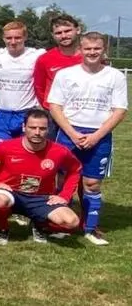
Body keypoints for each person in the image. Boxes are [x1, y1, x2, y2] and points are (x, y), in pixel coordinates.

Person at [48, 32, 127, 246]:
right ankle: (60, 226)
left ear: (104, 50)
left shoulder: (115, 76)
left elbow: (120, 110)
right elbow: (54, 106)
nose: (92, 52)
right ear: (80, 50)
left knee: (91, 183)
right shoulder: (65, 74)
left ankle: (90, 228)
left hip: (99, 135)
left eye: (97, 49)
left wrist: (96, 136)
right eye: (88, 49)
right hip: (68, 133)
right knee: (63, 180)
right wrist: (72, 134)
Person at [0, 109, 82, 245]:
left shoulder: (59, 151)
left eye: (42, 128)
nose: (37, 132)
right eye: (32, 127)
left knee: (72, 222)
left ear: (48, 129)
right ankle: (3, 228)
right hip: (12, 193)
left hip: (41, 198)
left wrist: (65, 195)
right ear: (24, 127)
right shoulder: (8, 147)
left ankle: (39, 224)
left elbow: (75, 169)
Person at [0, 21, 45, 145]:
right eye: (9, 38)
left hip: (27, 115)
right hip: (1, 115)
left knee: (25, 157)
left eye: (18, 37)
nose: (13, 42)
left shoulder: (37, 55)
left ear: (25, 37)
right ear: (3, 38)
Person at [33, 15, 83, 137]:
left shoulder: (89, 57)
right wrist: (51, 108)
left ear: (78, 30)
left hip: (81, 116)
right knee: (52, 154)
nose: (64, 35)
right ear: (53, 35)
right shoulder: (45, 59)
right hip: (53, 117)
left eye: (67, 31)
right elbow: (39, 88)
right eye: (58, 33)